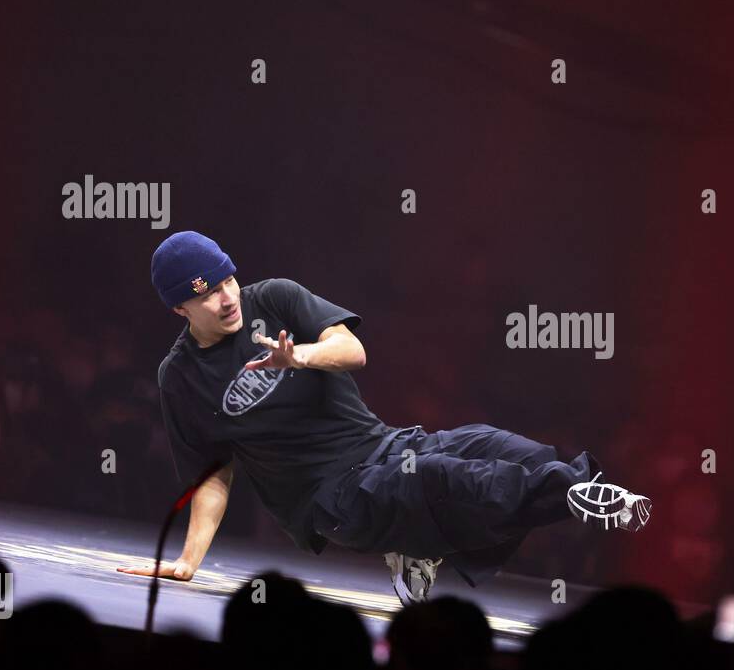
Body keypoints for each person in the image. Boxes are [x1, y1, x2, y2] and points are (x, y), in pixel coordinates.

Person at [119, 231, 651, 604]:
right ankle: (568, 494)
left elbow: (352, 350)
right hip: (330, 498)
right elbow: (213, 476)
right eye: (207, 295)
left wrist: (299, 355)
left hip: (385, 445)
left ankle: (587, 488)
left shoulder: (276, 298)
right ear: (179, 309)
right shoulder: (180, 376)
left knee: (488, 443)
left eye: (227, 281)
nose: (225, 298)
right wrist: (189, 560)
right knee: (442, 478)